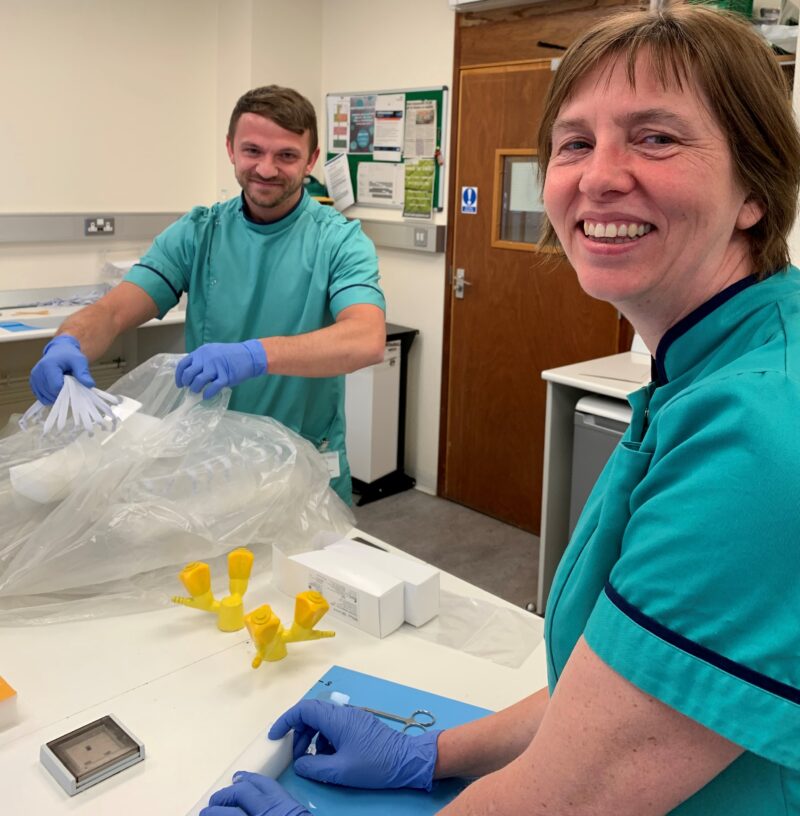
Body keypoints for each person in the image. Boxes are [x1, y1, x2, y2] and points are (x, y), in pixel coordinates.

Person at [199, 7, 800, 816]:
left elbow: (577, 795)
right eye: (575, 142)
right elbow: (618, 694)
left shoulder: (761, 430)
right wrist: (433, 751)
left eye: (656, 137)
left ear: (755, 192)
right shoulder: (713, 362)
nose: (597, 177)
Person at [28, 85, 386, 504]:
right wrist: (67, 341)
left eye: (286, 155)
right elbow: (113, 311)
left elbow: (366, 337)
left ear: (310, 159)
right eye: (253, 150)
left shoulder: (339, 240)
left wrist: (254, 355)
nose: (267, 169)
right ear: (231, 149)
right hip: (213, 459)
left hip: (304, 460)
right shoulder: (200, 233)